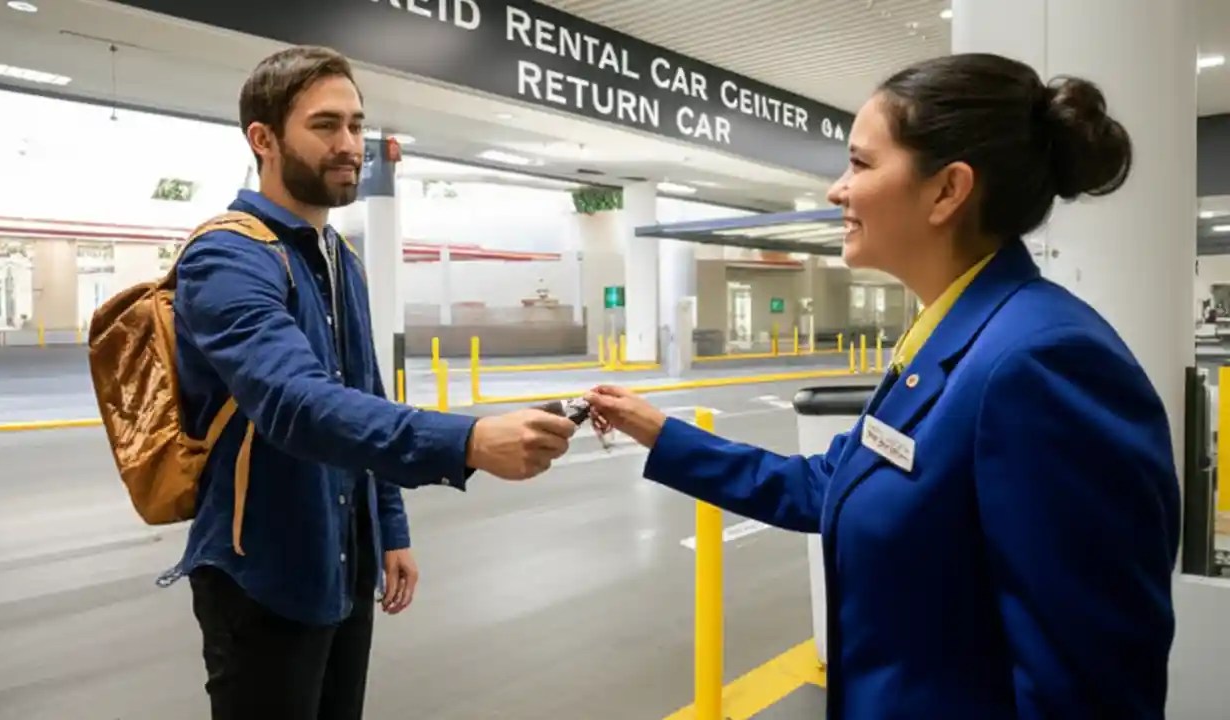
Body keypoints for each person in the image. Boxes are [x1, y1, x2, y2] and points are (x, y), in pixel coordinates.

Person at [586, 53, 1180, 720]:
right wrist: (660, 433)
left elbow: (1089, 688)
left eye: (861, 164)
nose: (838, 189)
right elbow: (829, 487)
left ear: (948, 191)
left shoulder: (1040, 364)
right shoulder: (950, 337)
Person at [170, 46, 577, 720]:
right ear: (263, 140)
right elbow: (298, 405)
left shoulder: (341, 259)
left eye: (357, 125)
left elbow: (366, 398)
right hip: (262, 571)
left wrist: (389, 529)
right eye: (326, 126)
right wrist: (469, 440)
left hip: (344, 562)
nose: (351, 145)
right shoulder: (226, 257)